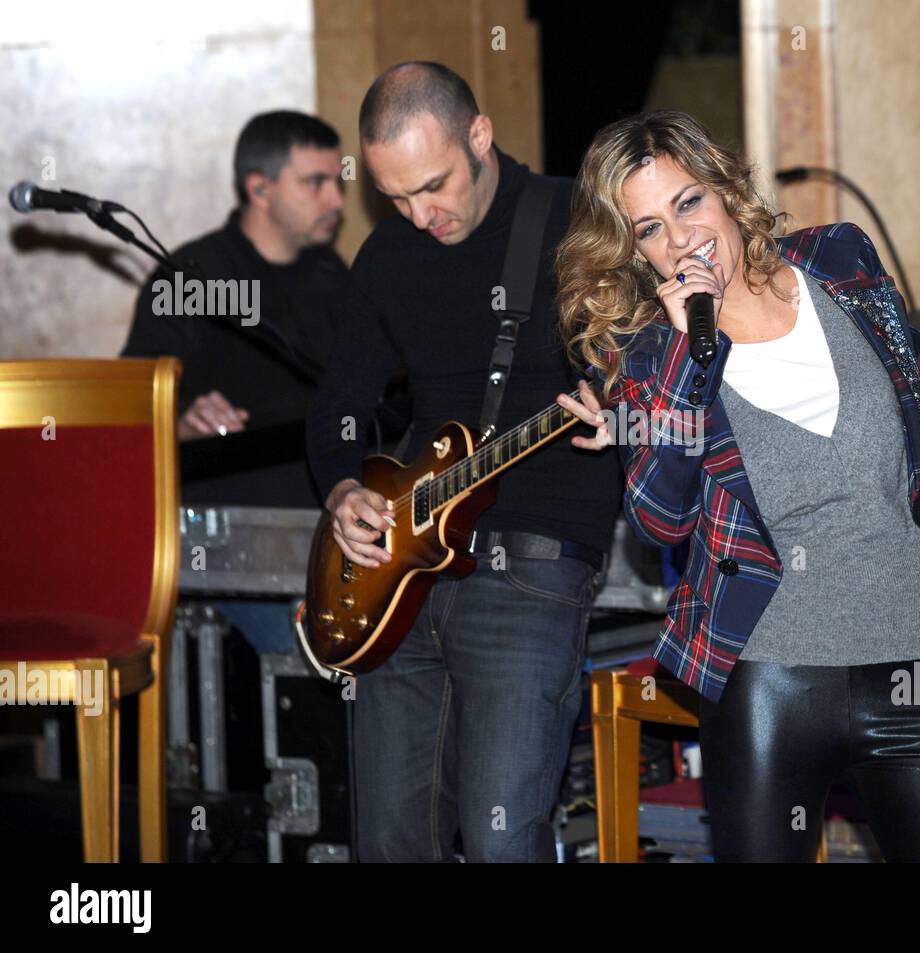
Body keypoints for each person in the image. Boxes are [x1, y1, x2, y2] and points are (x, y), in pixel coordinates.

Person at [555, 110, 920, 862]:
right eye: (649, 229)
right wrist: (694, 357)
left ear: (725, 189)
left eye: (689, 203)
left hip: (914, 658)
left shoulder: (837, 259)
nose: (681, 240)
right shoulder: (648, 353)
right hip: (770, 681)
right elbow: (660, 517)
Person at [305, 62, 622, 862]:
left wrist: (630, 405)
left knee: (501, 840)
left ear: (480, 136)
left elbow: (650, 363)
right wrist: (344, 486)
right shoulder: (387, 256)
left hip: (533, 559)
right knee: (387, 843)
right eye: (396, 196)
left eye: (434, 185)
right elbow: (338, 403)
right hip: (405, 571)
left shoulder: (577, 226)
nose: (420, 214)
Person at [122, 110, 350, 654]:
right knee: (314, 651)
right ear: (260, 188)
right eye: (315, 183)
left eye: (336, 182)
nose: (336, 201)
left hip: (328, 522)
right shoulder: (192, 276)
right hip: (227, 540)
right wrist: (179, 422)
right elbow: (130, 402)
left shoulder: (331, 275)